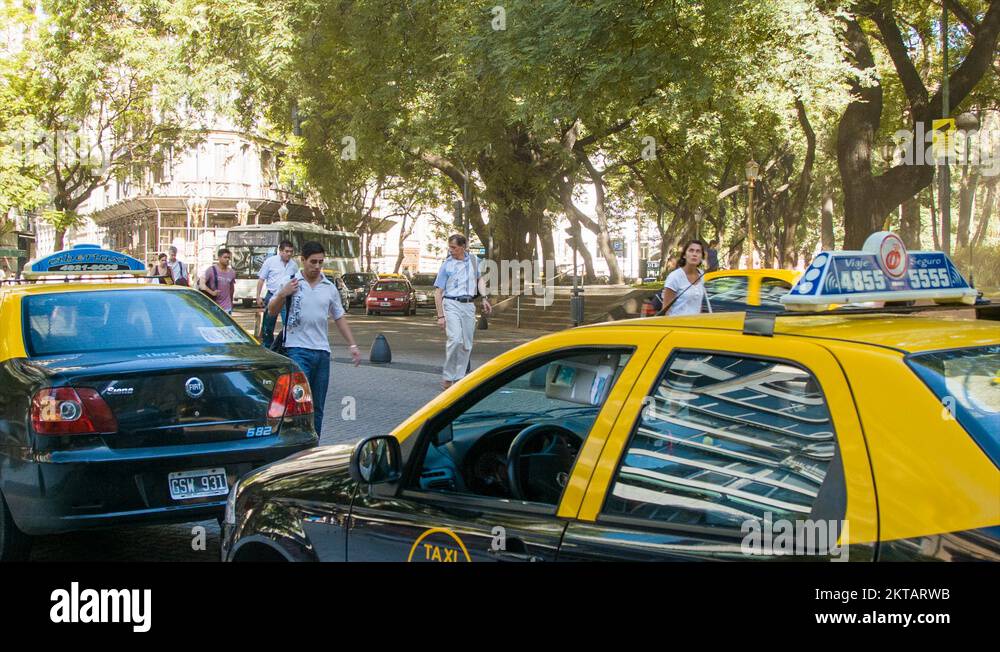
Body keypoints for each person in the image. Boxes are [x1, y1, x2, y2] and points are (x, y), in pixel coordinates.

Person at [269, 240, 361, 436]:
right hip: (297, 350)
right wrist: (282, 294)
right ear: (302, 260)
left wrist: (352, 344)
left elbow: (339, 317)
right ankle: (294, 442)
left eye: (321, 262)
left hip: (322, 352)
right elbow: (271, 311)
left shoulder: (329, 287)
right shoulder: (291, 281)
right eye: (313, 262)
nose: (317, 266)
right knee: (298, 402)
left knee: (317, 405)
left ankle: (313, 443)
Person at [433, 234, 492, 390]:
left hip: (468, 306)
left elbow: (480, 280)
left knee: (466, 344)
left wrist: (485, 298)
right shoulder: (447, 265)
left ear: (464, 247)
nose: (451, 250)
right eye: (450, 247)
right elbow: (438, 292)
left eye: (454, 247)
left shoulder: (474, 261)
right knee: (455, 339)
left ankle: (459, 378)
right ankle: (448, 376)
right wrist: (440, 316)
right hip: (451, 303)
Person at [256, 240, 298, 348]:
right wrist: (258, 296)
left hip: (286, 298)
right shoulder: (270, 261)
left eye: (291, 251)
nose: (289, 254)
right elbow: (261, 279)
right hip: (272, 296)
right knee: (268, 324)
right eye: (286, 251)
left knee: (288, 324)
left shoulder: (293, 265)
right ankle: (267, 345)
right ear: (280, 251)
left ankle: (284, 345)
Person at [660, 239, 711, 317]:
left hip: (694, 326)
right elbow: (665, 311)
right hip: (678, 326)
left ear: (702, 256)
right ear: (684, 255)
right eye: (691, 250)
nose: (694, 254)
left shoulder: (702, 275)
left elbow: (697, 305)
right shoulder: (674, 277)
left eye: (698, 251)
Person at [199, 248, 237, 314]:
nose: (227, 259)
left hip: (227, 307)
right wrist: (212, 292)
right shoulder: (211, 270)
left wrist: (231, 302)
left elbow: (231, 288)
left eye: (228, 257)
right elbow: (201, 284)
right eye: (225, 257)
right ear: (219, 258)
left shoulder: (232, 272)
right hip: (214, 306)